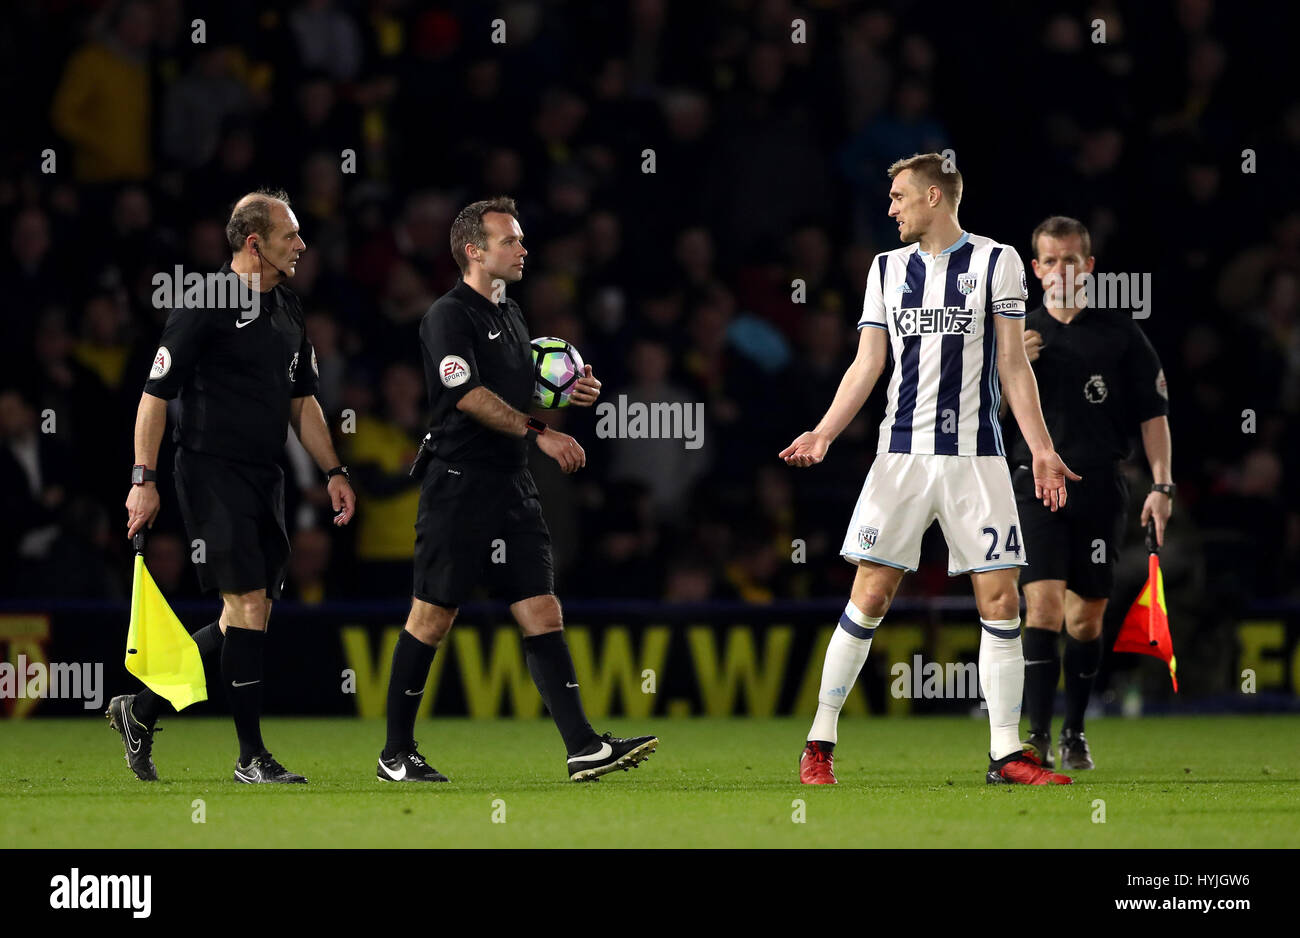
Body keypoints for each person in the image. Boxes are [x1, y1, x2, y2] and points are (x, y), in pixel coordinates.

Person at [781, 152, 1078, 786]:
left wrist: (1043, 448)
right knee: (871, 594)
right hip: (902, 457)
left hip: (979, 458)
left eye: (897, 197)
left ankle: (1005, 755)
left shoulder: (996, 262)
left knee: (1001, 600)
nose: (889, 209)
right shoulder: (885, 270)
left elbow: (1012, 365)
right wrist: (825, 433)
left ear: (934, 198)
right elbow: (867, 364)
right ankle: (820, 743)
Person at [377, 197, 658, 783]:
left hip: (511, 482)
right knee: (432, 618)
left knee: (541, 608)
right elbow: (468, 395)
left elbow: (514, 386)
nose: (523, 249)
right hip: (458, 483)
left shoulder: (511, 313)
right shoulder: (447, 316)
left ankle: (582, 746)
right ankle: (395, 754)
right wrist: (544, 433)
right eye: (510, 241)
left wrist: (564, 392)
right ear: (473, 251)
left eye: (522, 240)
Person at [109, 189, 356, 783]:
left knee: (246, 616)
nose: (301, 244)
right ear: (255, 243)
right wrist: (143, 481)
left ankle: (139, 709)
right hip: (210, 471)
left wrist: (334, 471)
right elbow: (154, 397)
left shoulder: (289, 309)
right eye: (290, 235)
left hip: (264, 475)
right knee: (245, 606)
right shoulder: (204, 302)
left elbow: (303, 402)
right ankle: (252, 758)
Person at [1011, 216, 1173, 770]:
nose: (1062, 270)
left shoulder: (1120, 333)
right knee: (1044, 605)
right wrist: (1011, 371)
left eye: (1072, 259)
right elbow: (972, 413)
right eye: (1051, 260)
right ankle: (1034, 737)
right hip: (1036, 485)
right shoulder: (1015, 337)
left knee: (1085, 619)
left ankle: (1074, 730)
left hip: (1102, 486)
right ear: (1035, 269)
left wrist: (1162, 485)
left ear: (1090, 267)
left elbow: (1154, 414)